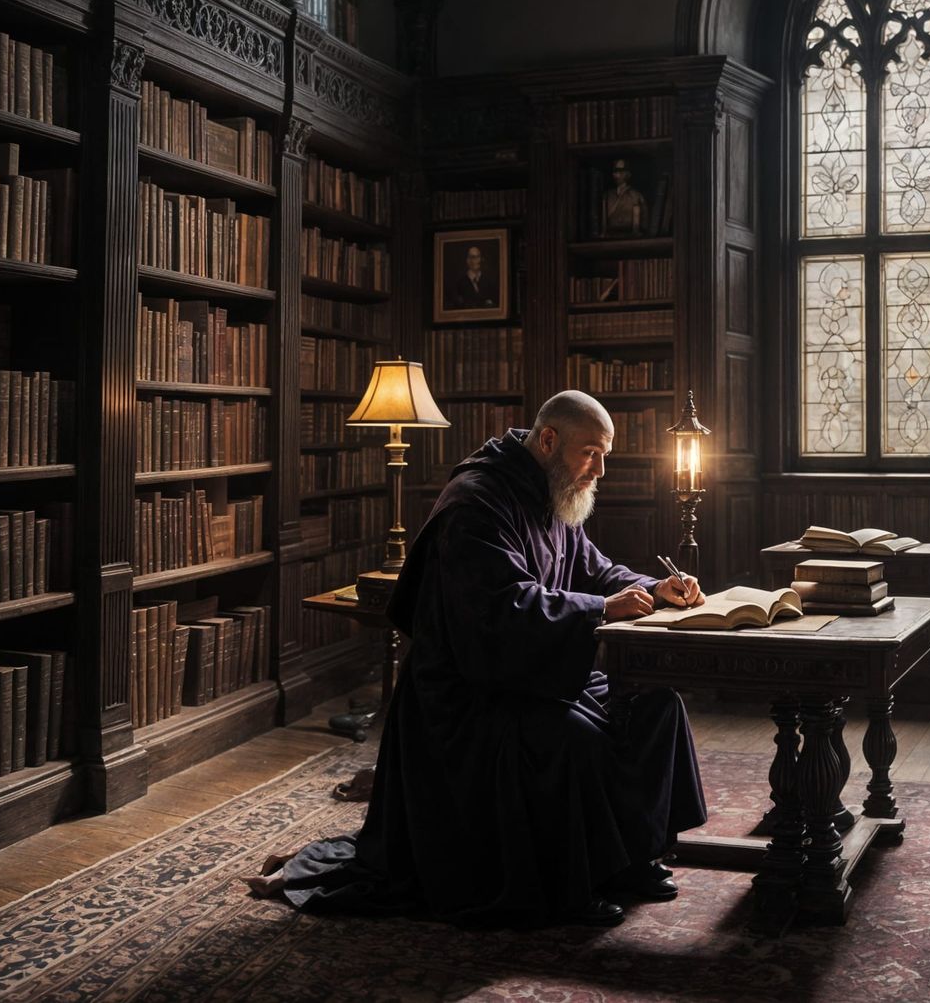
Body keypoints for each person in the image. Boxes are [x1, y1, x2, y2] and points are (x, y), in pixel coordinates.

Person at [250, 391, 708, 928]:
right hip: (467, 694)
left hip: (532, 672)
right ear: (549, 440)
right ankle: (568, 886)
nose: (599, 469)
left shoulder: (554, 489)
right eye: (592, 454)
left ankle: (629, 859)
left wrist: (655, 587)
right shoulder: (477, 502)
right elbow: (500, 609)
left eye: (604, 456)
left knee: (657, 703)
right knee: (569, 740)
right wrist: (601, 609)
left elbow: (595, 568)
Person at [600, 158, 647, 236]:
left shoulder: (636, 195)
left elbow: (644, 222)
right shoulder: (607, 195)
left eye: (620, 171)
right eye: (615, 171)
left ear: (627, 174)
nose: (616, 175)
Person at [445, 244, 498, 310]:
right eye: (472, 257)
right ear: (467, 260)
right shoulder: (459, 283)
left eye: (478, 257)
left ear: (481, 259)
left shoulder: (489, 281)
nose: (476, 260)